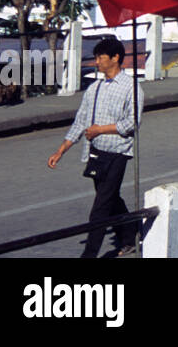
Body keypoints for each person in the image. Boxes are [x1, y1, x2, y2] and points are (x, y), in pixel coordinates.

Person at [47, 36, 143, 258]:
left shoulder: (132, 88)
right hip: (96, 153)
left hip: (118, 153)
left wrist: (101, 129)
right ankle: (129, 236)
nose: (96, 62)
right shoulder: (95, 89)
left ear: (115, 58)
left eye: (100, 57)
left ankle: (89, 254)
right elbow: (81, 121)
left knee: (100, 207)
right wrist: (61, 150)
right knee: (110, 198)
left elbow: (132, 123)